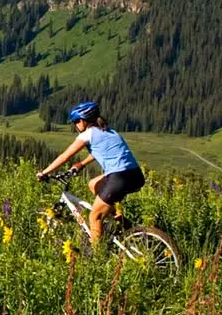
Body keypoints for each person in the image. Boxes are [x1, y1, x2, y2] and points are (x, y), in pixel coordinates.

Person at [35, 101, 145, 244]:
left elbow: (65, 156)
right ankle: (122, 224)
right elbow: (98, 151)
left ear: (84, 121)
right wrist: (81, 164)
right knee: (93, 184)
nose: (75, 125)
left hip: (118, 176)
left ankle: (97, 257)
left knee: (95, 216)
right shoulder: (109, 131)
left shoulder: (87, 135)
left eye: (76, 121)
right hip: (135, 175)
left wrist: (44, 172)